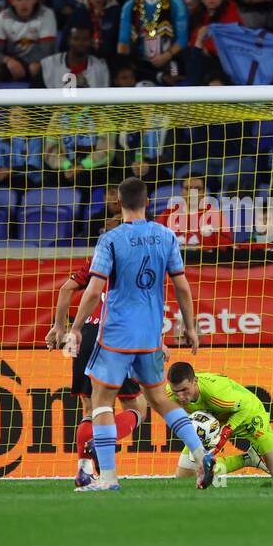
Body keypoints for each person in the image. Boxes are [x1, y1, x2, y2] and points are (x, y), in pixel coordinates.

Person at [63, 176, 208, 492]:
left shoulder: (111, 240)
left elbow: (93, 290)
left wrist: (75, 327)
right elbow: (182, 285)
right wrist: (191, 327)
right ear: (147, 202)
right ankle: (200, 453)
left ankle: (108, 478)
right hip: (150, 335)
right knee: (157, 399)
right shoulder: (166, 235)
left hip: (116, 335)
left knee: (101, 402)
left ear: (118, 201)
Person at [44, 241, 150, 488]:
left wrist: (60, 327)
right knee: (139, 408)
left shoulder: (96, 263)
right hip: (113, 337)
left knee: (91, 410)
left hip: (83, 335)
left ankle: (85, 471)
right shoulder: (139, 267)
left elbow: (65, 289)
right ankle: (104, 441)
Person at [167, 362, 273, 481]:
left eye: (184, 390)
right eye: (176, 391)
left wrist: (226, 431)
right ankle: (248, 459)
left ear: (194, 381)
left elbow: (245, 407)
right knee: (185, 477)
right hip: (214, 421)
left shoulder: (217, 394)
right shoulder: (169, 394)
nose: (180, 397)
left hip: (249, 417)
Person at [117, 0, 188, 83]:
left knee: (174, 76)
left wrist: (166, 56)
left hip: (169, 60)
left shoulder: (176, 3)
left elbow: (182, 39)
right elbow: (123, 40)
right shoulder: (130, 5)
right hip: (139, 63)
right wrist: (122, 62)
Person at [0, 0, 58, 84]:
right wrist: (9, 61)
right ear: (12, 0)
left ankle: (40, 99)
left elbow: (47, 52)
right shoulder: (3, 17)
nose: (24, 3)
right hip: (12, 63)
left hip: (36, 63)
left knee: (36, 67)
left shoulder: (47, 15)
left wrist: (22, 64)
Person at [40, 22, 109, 89]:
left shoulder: (100, 67)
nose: (80, 43)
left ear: (91, 41)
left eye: (85, 39)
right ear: (68, 40)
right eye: (76, 38)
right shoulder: (49, 64)